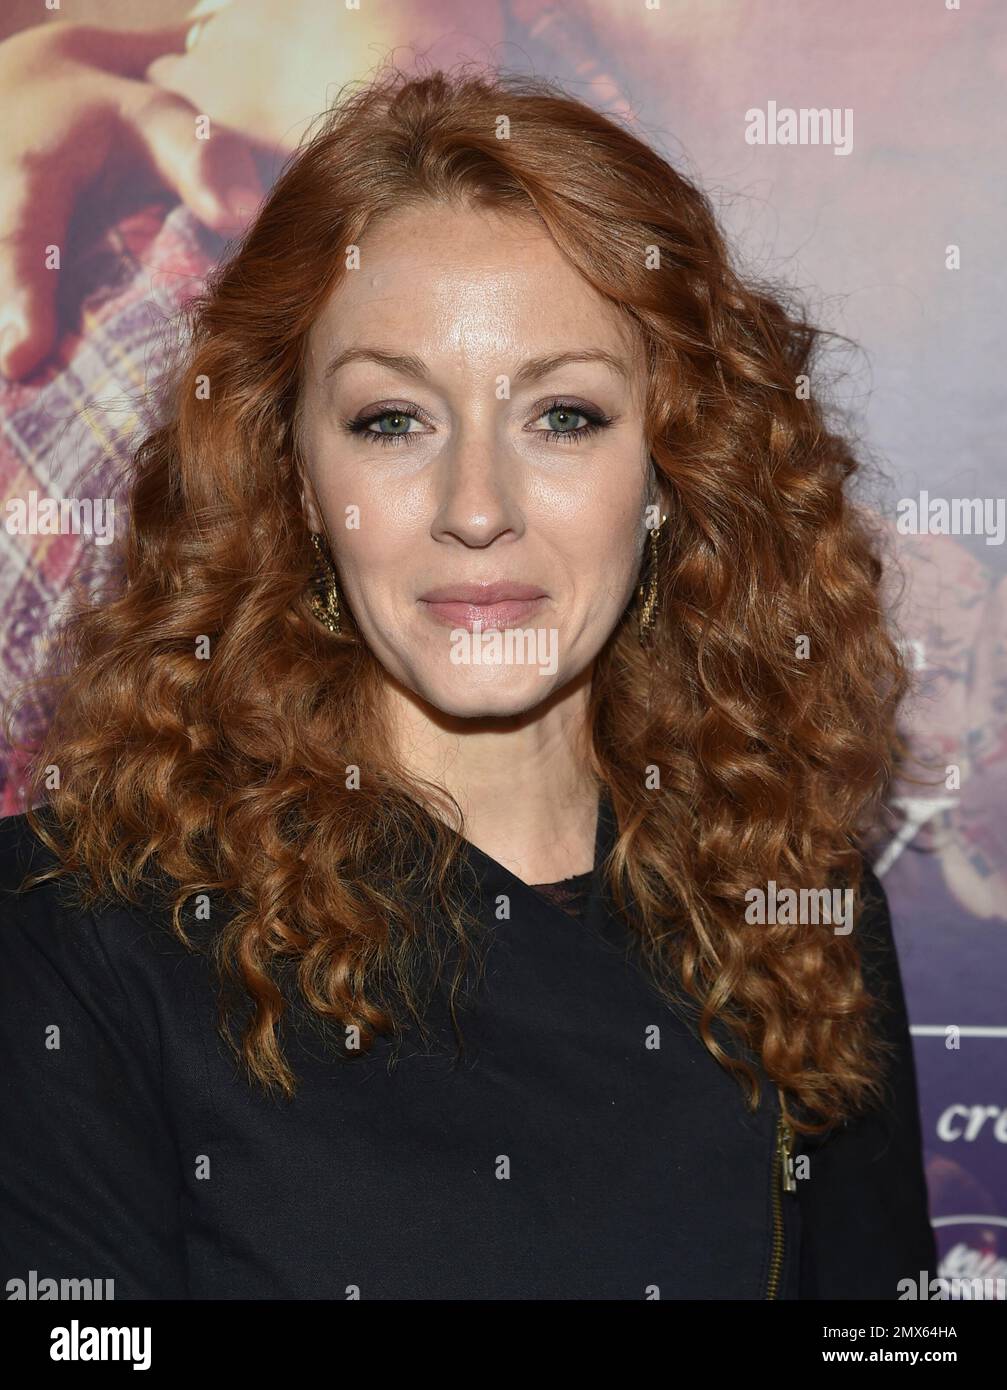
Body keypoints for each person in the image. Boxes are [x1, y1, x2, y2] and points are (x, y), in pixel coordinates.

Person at [0, 67, 935, 1300]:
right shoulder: (78, 930)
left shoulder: (792, 898)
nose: (476, 510)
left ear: (671, 465)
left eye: (563, 415)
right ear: (288, 473)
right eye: (393, 420)